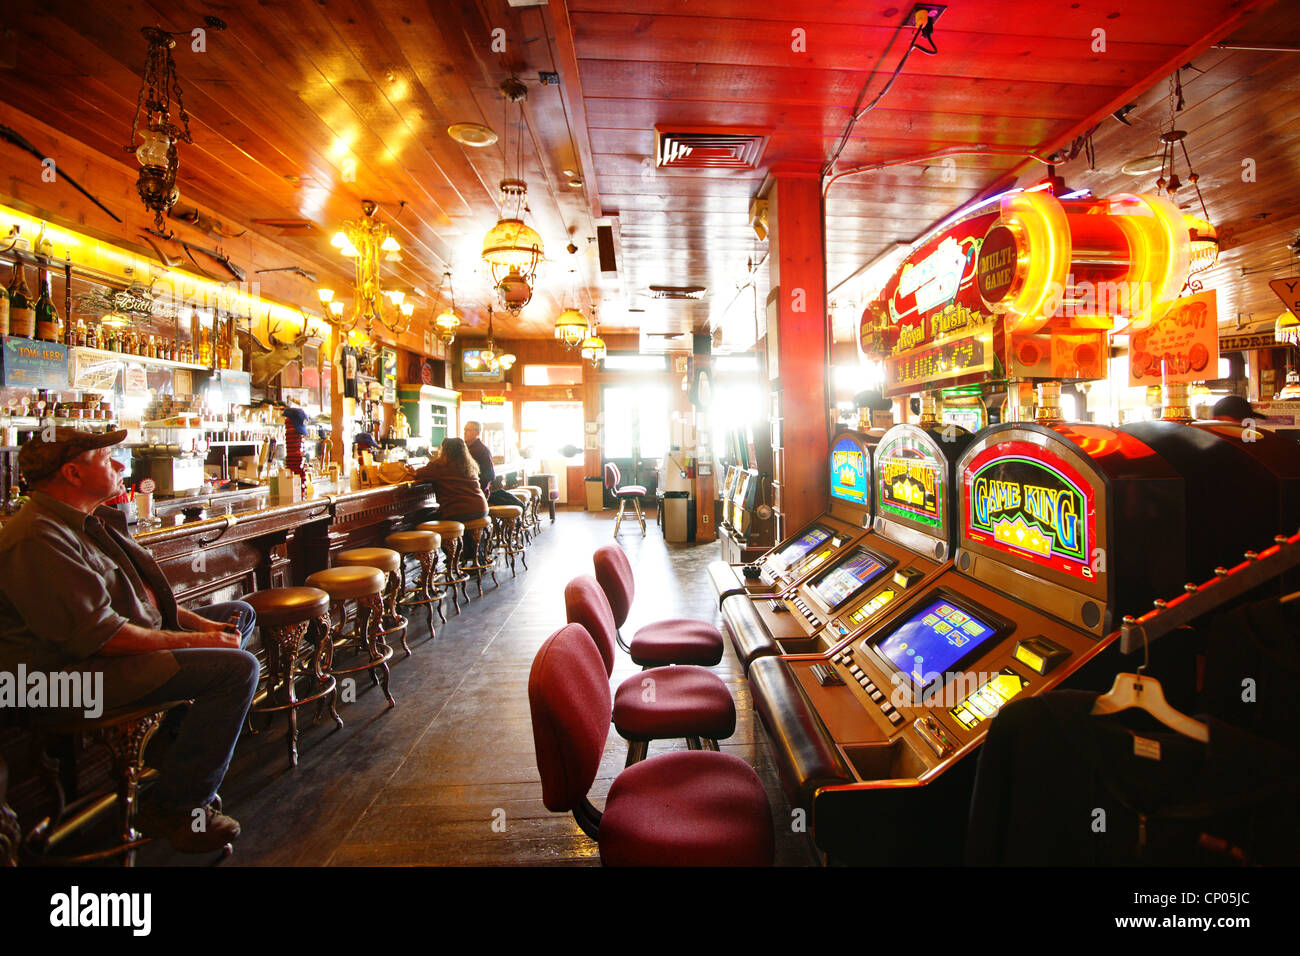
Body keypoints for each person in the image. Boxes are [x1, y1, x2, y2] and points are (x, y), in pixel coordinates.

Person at [0, 428, 259, 853]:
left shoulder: (86, 520)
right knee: (237, 669)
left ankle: (172, 753)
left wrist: (202, 631)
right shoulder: (37, 535)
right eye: (106, 458)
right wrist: (197, 644)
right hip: (67, 678)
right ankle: (176, 805)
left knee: (237, 616)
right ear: (72, 473)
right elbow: (103, 637)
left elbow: (148, 602)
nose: (121, 465)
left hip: (106, 654)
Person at [408, 437, 489, 523]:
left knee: (418, 520)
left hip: (459, 512)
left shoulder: (439, 465)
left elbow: (417, 474)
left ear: (444, 450)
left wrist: (410, 470)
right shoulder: (469, 466)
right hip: (481, 509)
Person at [464, 420, 525, 508]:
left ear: (478, 432)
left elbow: (490, 475)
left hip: (478, 492)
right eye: (465, 430)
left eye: (468, 430)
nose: (465, 432)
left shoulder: (482, 450)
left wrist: (476, 488)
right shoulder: (463, 448)